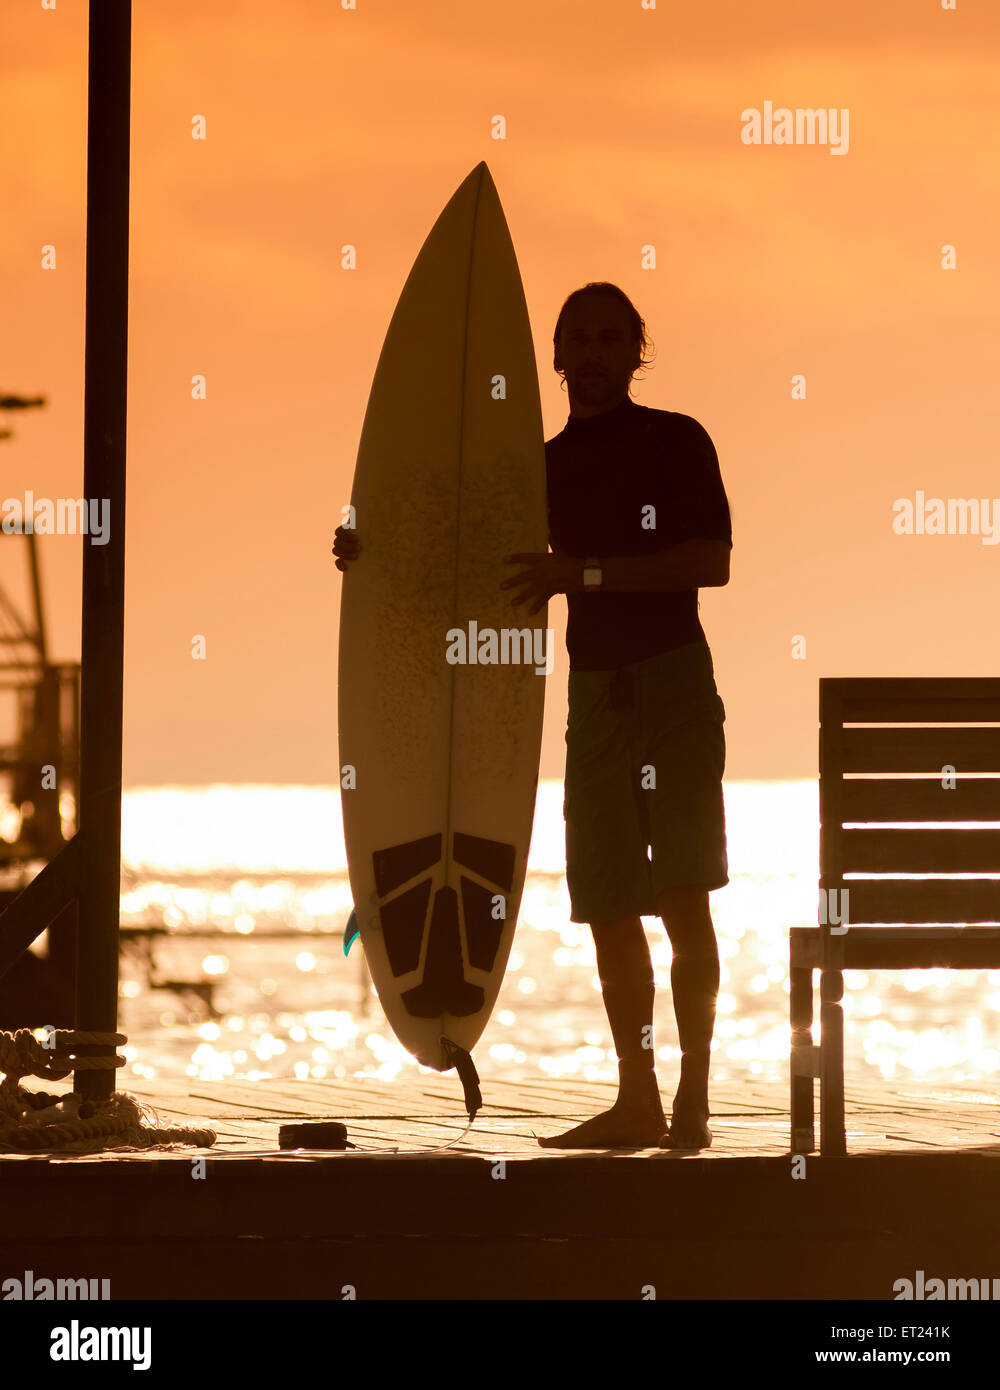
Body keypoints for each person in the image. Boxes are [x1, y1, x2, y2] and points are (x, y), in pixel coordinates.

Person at [333, 281, 732, 1150]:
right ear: (553, 358)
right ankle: (639, 1101)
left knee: (680, 894)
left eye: (609, 339)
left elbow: (708, 562)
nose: (591, 354)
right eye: (576, 339)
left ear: (637, 352)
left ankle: (694, 1102)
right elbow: (465, 559)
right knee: (609, 904)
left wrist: (580, 573)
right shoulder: (535, 471)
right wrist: (367, 551)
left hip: (672, 688)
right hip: (592, 699)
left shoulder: (676, 441)